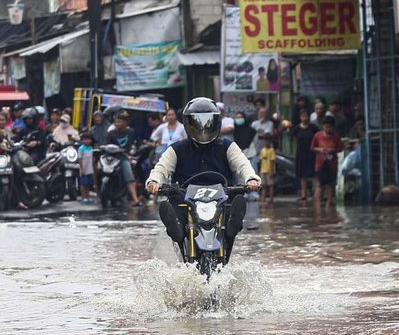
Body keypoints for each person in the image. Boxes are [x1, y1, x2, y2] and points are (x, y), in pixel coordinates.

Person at [145, 98, 261, 253]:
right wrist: (154, 182)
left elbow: (243, 164)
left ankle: (230, 229)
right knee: (176, 209)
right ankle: (177, 231)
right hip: (185, 198)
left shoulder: (227, 146)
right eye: (197, 123)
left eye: (208, 123)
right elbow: (161, 168)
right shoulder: (177, 149)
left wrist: (251, 179)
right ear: (188, 124)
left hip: (221, 197)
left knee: (232, 208)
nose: (202, 128)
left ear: (216, 123)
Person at [105, 111, 143, 206]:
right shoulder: (111, 133)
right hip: (112, 157)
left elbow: (137, 143)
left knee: (129, 177)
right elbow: (106, 145)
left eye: (120, 121)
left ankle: (135, 199)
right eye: (116, 122)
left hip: (124, 157)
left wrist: (136, 149)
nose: (117, 124)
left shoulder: (131, 132)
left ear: (126, 123)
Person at [311, 116, 343, 207]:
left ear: (333, 127)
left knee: (330, 185)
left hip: (332, 164)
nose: (328, 129)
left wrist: (333, 150)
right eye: (326, 127)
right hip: (320, 164)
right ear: (323, 126)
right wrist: (321, 150)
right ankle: (317, 205)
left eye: (330, 127)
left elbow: (340, 148)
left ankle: (329, 204)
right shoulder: (318, 136)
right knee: (320, 184)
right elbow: (312, 147)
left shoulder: (336, 137)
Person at [291, 110, 318, 202]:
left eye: (306, 116)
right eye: (303, 116)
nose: (305, 118)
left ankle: (316, 194)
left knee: (314, 174)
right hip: (301, 153)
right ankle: (304, 194)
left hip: (311, 153)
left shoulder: (313, 128)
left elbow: (317, 138)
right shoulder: (297, 128)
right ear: (300, 117)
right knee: (302, 175)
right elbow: (294, 138)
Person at [258, 132, 277, 204]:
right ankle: (263, 198)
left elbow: (272, 161)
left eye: (268, 140)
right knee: (263, 185)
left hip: (269, 170)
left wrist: (272, 171)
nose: (266, 142)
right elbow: (261, 161)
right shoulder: (263, 150)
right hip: (263, 170)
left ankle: (271, 199)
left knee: (271, 185)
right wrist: (260, 170)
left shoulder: (271, 150)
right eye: (265, 140)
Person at [78, 131, 96, 204]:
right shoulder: (81, 148)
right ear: (82, 140)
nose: (87, 141)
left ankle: (87, 197)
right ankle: (83, 197)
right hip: (84, 169)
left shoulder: (91, 148)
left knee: (88, 184)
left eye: (89, 139)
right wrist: (82, 169)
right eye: (85, 139)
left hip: (90, 169)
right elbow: (80, 159)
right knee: (83, 184)